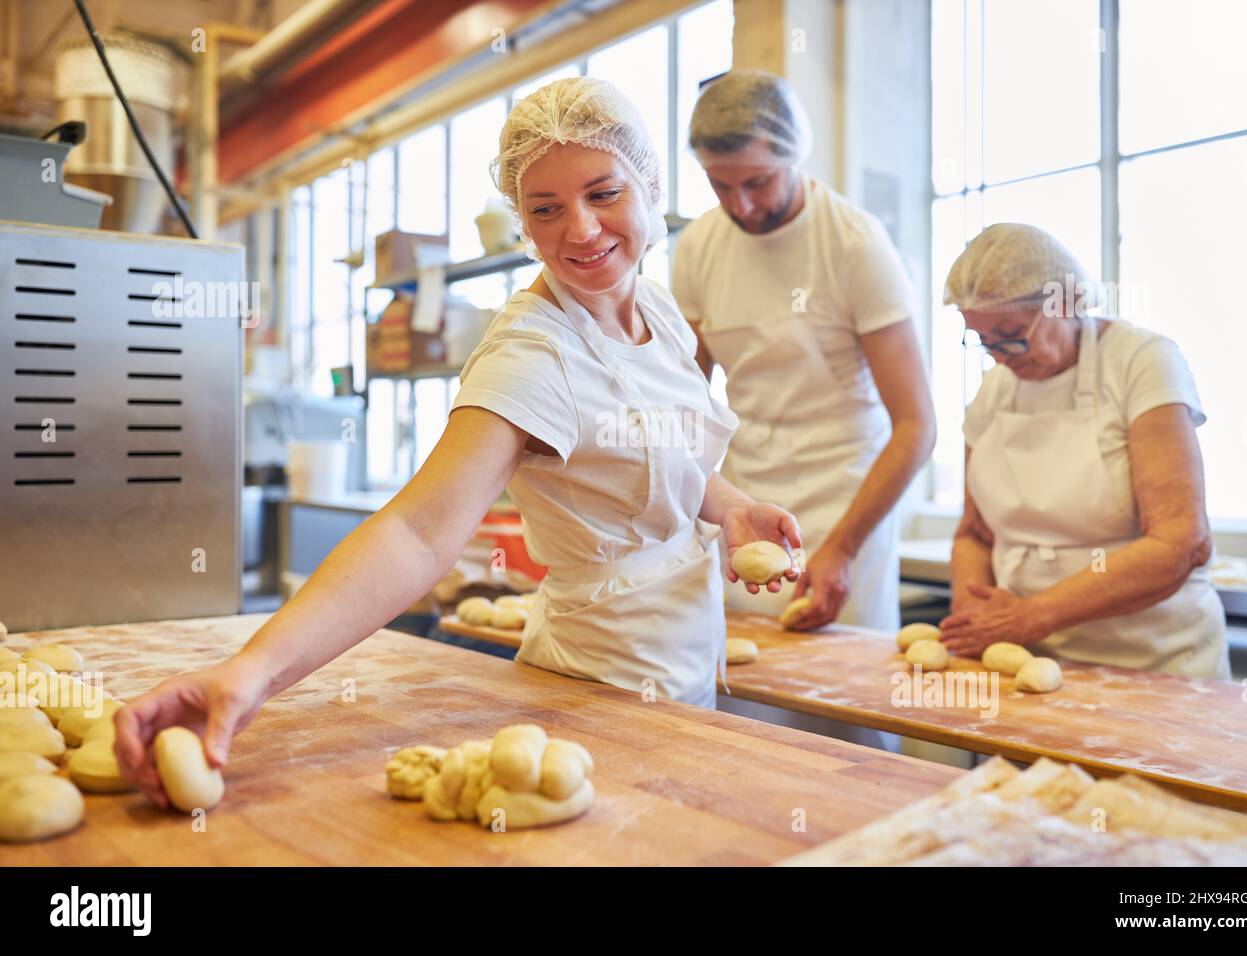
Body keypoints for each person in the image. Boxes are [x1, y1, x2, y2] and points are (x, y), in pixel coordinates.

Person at [114, 77, 803, 807]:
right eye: (546, 208)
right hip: (595, 698)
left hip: (687, 672)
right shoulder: (533, 357)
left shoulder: (657, 312)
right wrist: (250, 671)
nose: (581, 229)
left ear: (650, 185)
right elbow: (416, 533)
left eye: (603, 194)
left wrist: (728, 509)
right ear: (522, 222)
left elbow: (667, 459)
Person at [673, 70, 935, 633]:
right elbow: (683, 401)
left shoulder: (854, 244)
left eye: (758, 182)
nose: (740, 205)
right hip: (747, 501)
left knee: (844, 697)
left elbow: (917, 425)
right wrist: (692, 509)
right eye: (720, 186)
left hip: (846, 501)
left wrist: (842, 546)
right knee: (747, 694)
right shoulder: (698, 247)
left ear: (794, 157)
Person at [940, 223, 1229, 678]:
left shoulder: (1142, 362)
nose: (998, 356)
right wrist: (973, 615)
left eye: (1012, 334)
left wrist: (1028, 615)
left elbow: (1179, 541)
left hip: (1156, 661)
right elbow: (975, 533)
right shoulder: (992, 391)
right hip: (1028, 659)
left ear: (1066, 302)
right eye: (982, 340)